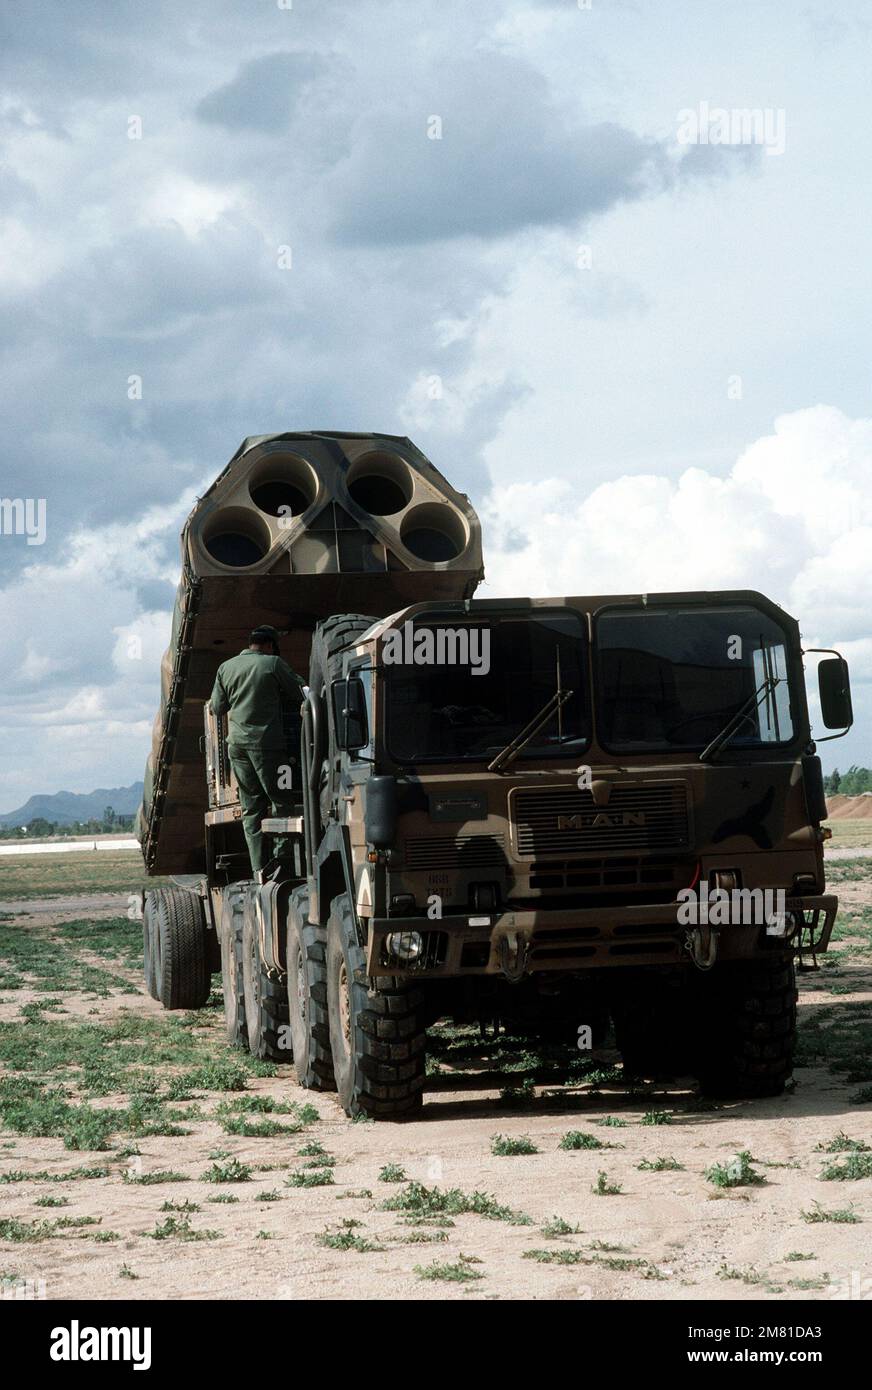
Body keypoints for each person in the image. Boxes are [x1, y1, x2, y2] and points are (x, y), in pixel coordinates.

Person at [209, 625, 305, 878]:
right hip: (269, 747)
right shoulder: (273, 663)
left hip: (237, 747)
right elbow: (301, 695)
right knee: (282, 799)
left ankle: (258, 868)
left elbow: (217, 707)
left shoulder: (225, 667)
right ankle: (282, 860)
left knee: (251, 807)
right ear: (271, 645)